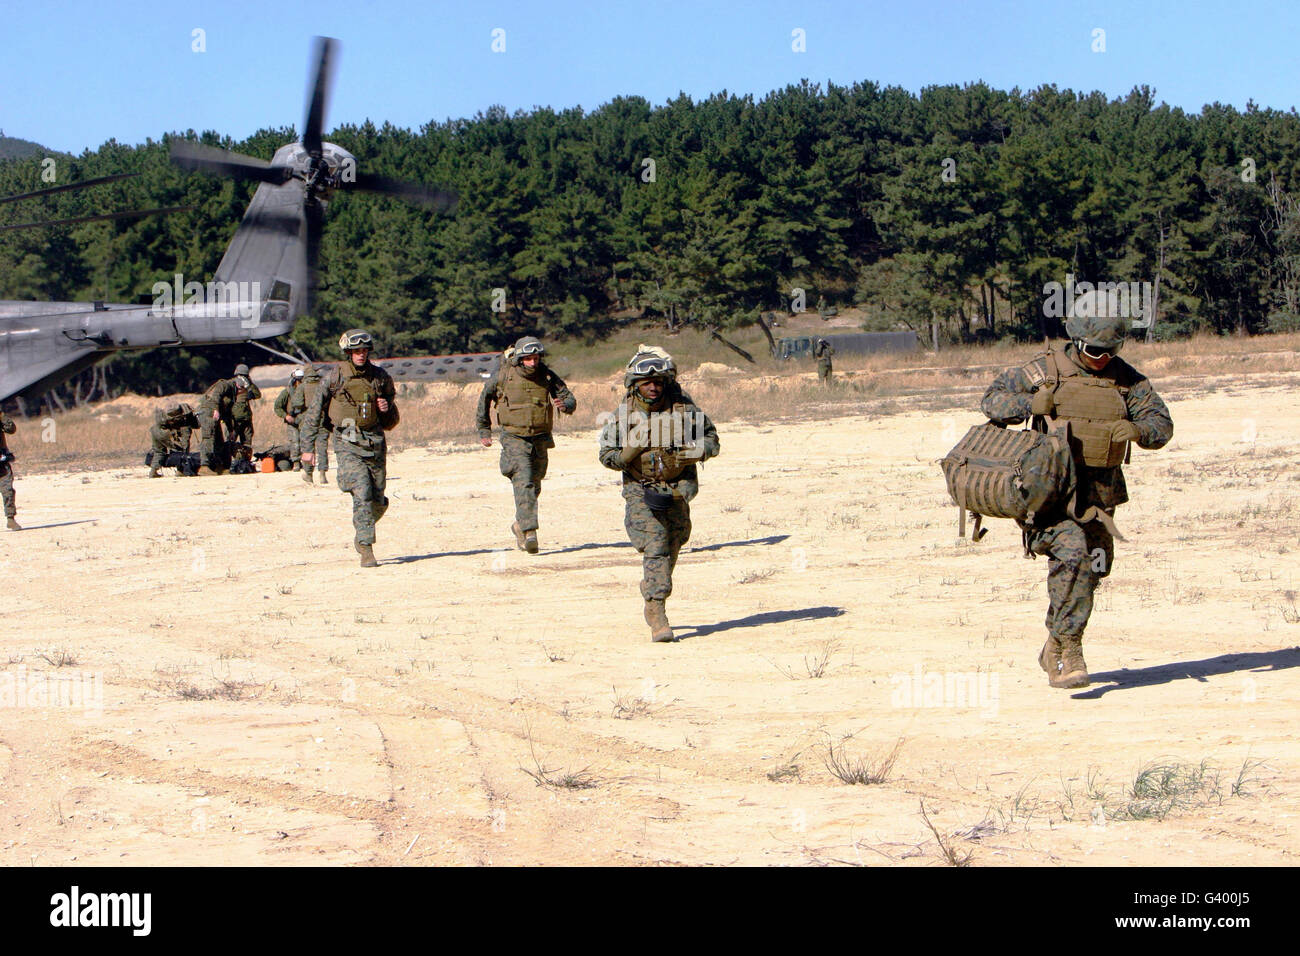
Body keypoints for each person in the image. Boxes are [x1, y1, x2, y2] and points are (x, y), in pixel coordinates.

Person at [981, 292, 1172, 689]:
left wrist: (1139, 431)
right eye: (1093, 351)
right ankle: (1071, 652)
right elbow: (992, 400)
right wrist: (1030, 403)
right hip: (1047, 493)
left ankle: (1053, 642)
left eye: (1110, 350)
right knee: (1075, 557)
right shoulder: (1044, 370)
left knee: (1093, 569)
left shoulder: (1127, 380)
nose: (1101, 359)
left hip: (1100, 497)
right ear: (1075, 339)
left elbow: (1162, 423)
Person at [598, 346, 719, 642]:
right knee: (656, 545)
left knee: (675, 539)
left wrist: (696, 451)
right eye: (646, 383)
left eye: (658, 382)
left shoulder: (684, 410)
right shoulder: (622, 416)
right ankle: (656, 610)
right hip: (641, 490)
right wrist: (629, 452)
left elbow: (712, 439)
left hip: (678, 490)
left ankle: (653, 587)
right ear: (634, 385)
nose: (653, 388)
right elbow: (606, 456)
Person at [299, 329, 399, 567]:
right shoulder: (334, 378)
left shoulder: (380, 378)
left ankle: (362, 528)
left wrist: (386, 409)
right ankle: (366, 548)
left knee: (377, 500)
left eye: (364, 351)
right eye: (356, 351)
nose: (361, 355)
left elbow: (391, 422)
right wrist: (307, 449)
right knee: (361, 491)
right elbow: (314, 414)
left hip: (374, 443)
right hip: (346, 442)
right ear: (348, 353)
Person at [476, 336, 576, 553]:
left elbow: (569, 398)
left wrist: (565, 405)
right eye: (528, 359)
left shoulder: (547, 375)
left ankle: (520, 524)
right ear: (520, 359)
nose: (533, 363)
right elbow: (484, 398)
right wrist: (484, 430)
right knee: (524, 482)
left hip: (540, 437)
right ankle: (530, 532)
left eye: (536, 358)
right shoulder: (503, 376)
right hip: (514, 438)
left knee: (535, 483)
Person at [198, 363, 262, 475]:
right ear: (237, 384)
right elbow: (216, 394)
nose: (241, 391)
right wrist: (216, 410)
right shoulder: (226, 384)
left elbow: (227, 415)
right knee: (208, 438)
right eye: (241, 388)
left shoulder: (233, 392)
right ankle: (204, 466)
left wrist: (231, 429)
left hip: (215, 414)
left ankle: (220, 467)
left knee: (219, 441)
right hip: (209, 412)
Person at [148, 402, 200, 477]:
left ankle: (153, 471)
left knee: (158, 451)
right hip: (165, 433)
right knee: (182, 450)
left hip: (155, 431)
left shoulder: (161, 416)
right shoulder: (183, 417)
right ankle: (181, 470)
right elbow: (196, 425)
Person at [299, 366, 330, 484]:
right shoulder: (322, 385)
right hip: (322, 418)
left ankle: (308, 473)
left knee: (308, 446)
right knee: (322, 446)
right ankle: (322, 474)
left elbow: (297, 402)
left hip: (309, 418)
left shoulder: (303, 387)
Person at [273, 366, 307, 471]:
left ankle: (306, 462)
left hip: (304, 420)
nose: (299, 382)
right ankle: (296, 462)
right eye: (297, 380)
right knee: (295, 442)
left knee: (306, 442)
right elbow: (277, 406)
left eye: (301, 379)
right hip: (292, 420)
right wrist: (286, 416)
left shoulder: (307, 390)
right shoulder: (286, 392)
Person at [1, 410, 19, 530]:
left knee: (8, 490)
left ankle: (10, 518)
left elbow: (11, 429)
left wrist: (2, 416)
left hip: (1, 461)